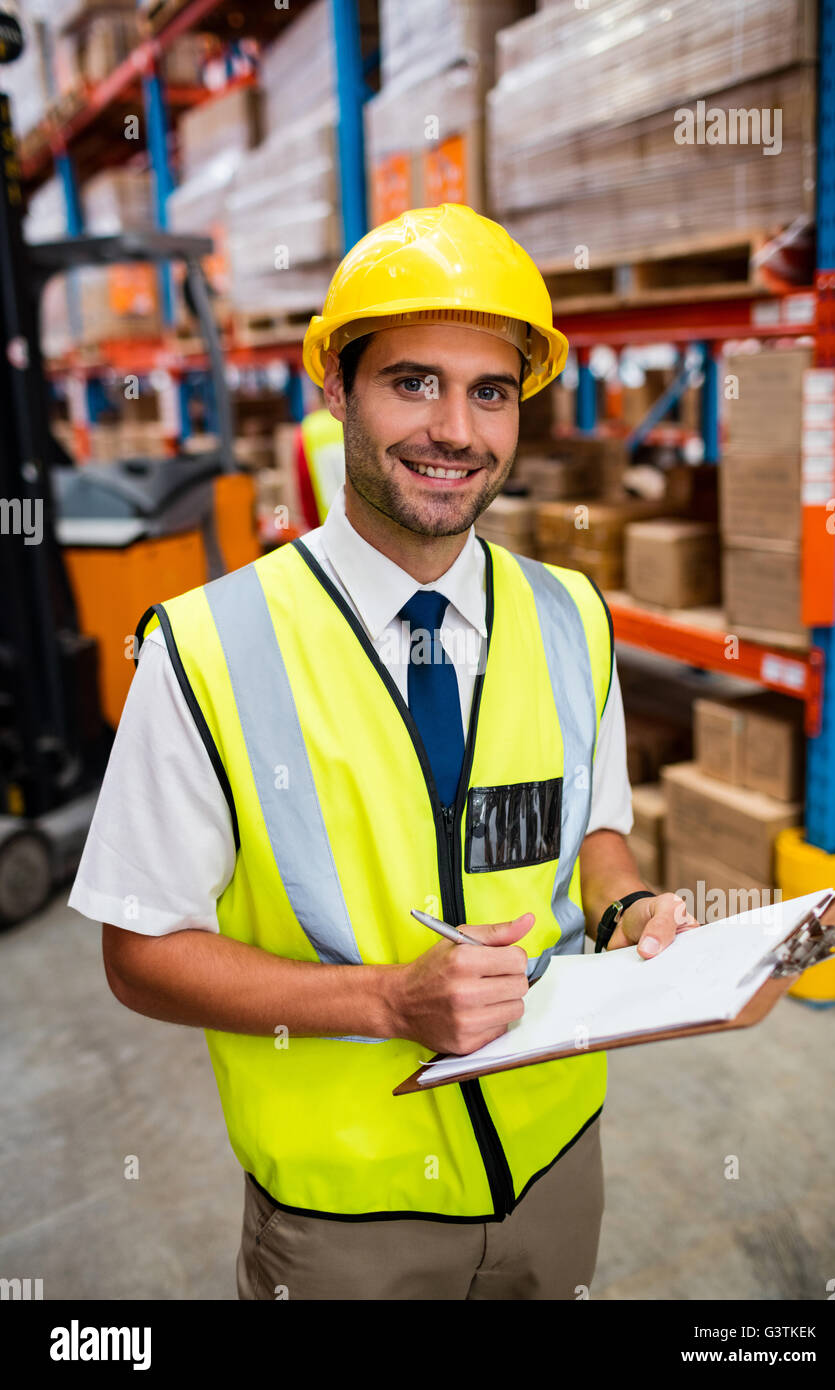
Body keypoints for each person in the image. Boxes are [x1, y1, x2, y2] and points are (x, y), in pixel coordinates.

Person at [68, 203, 700, 1301]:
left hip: (556, 1169)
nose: (454, 428)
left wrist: (626, 910)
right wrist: (384, 1002)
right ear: (336, 390)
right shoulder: (207, 649)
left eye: (489, 391)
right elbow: (140, 951)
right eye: (413, 382)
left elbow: (592, 830)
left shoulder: (569, 616)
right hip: (344, 1216)